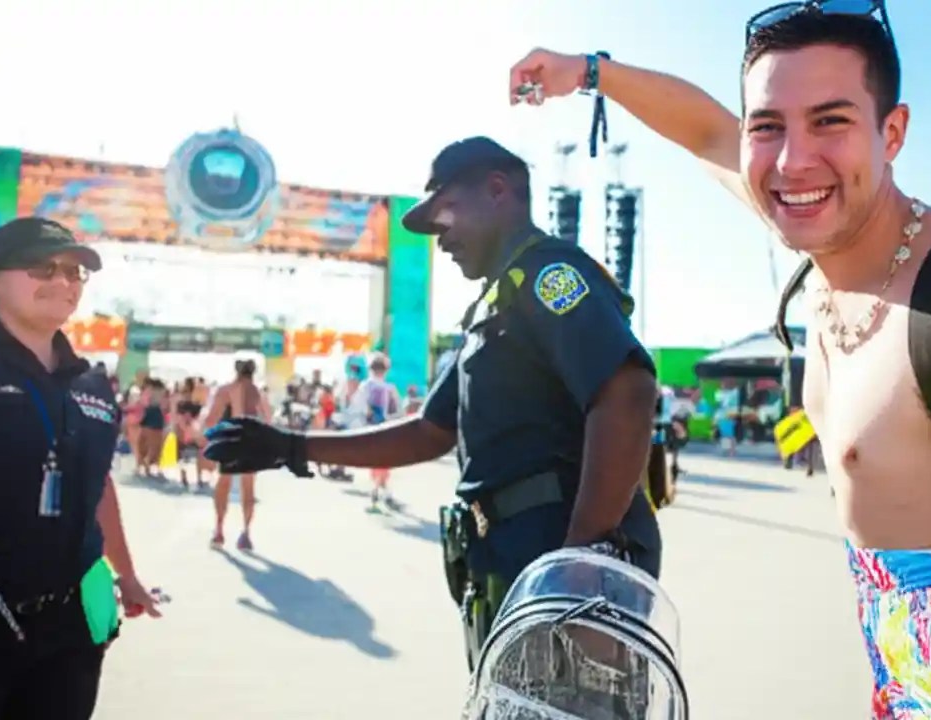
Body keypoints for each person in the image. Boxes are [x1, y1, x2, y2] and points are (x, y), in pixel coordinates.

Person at [509, 6, 931, 718]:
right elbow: (709, 131)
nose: (792, 160)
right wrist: (589, 73)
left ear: (891, 132)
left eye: (831, 120)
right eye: (767, 125)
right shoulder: (829, 247)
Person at [204, 136, 662, 671]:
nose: (439, 237)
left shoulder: (549, 275)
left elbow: (627, 391)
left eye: (445, 212)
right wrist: (293, 445)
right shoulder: (496, 303)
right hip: (512, 566)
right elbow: (430, 431)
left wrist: (579, 560)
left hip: (565, 571)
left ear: (497, 190)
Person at [0, 217, 161, 719]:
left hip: (69, 634)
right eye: (41, 267)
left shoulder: (90, 383)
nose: (63, 281)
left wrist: (126, 574)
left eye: (74, 272)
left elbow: (96, 486)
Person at [202, 359, 272, 552]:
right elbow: (268, 420)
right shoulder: (259, 394)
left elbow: (211, 419)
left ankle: (218, 530)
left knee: (223, 484)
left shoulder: (226, 390)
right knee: (247, 488)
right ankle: (246, 533)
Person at [356, 353, 402, 512]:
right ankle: (381, 494)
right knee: (382, 463)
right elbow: (397, 409)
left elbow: (361, 407)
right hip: (385, 429)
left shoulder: (366, 386)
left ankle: (379, 494)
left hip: (371, 429)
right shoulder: (389, 388)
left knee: (377, 463)